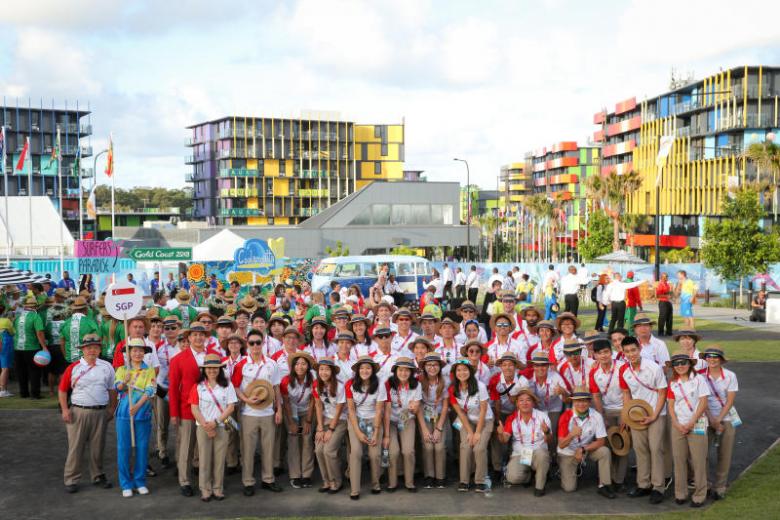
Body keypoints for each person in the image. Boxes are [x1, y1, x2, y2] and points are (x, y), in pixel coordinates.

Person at [59, 334, 117, 493]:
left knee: (98, 447)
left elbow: (112, 389)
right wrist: (65, 409)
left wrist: (112, 408)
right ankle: (71, 478)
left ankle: (97, 475)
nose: (92, 350)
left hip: (100, 412)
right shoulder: (74, 367)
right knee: (75, 447)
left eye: (95, 347)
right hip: (78, 412)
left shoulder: (107, 366)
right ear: (83, 350)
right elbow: (62, 390)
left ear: (100, 349)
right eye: (88, 347)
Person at [232, 328, 284, 496]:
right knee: (247, 449)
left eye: (258, 342)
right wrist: (246, 400)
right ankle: (248, 481)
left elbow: (276, 388)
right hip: (249, 413)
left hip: (268, 412)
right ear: (247, 344)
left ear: (263, 343)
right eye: (252, 343)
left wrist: (279, 410)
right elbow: (235, 387)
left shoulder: (272, 364)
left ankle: (268, 479)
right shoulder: (241, 364)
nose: (255, 346)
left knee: (268, 448)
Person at [619, 336, 668, 504]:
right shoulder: (624, 370)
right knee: (640, 449)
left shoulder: (654, 368)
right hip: (636, 415)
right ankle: (643, 484)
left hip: (656, 413)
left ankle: (658, 487)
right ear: (623, 353)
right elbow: (626, 393)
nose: (631, 354)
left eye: (633, 350)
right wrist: (627, 415)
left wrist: (654, 415)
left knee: (656, 449)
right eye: (627, 351)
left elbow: (662, 392)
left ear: (639, 349)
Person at [168, 321, 210, 497]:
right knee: (186, 447)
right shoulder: (177, 359)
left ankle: (204, 479)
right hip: (187, 410)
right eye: (194, 335)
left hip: (209, 410)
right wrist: (174, 413)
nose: (198, 338)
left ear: (205, 337)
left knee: (205, 447)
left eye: (201, 334)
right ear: (189, 338)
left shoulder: (213, 356)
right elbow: (173, 388)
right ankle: (184, 481)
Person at [189, 353, 237, 501]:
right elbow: (194, 408)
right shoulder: (198, 386)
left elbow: (231, 407)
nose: (212, 370)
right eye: (209, 368)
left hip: (221, 426)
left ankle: (218, 489)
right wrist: (206, 425)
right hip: (203, 427)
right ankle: (205, 489)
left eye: (215, 368)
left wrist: (215, 423)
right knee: (204, 459)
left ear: (220, 369)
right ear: (204, 369)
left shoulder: (227, 385)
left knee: (219, 459)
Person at [666, 350, 710, 507]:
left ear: (690, 364)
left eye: (683, 362)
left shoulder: (699, 379)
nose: (680, 366)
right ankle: (680, 493)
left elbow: (703, 402)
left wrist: (691, 422)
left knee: (698, 461)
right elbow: (671, 406)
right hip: (678, 426)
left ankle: (700, 494)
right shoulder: (673, 383)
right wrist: (677, 423)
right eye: (676, 364)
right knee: (679, 460)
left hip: (696, 424)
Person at [114, 338, 156, 498]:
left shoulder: (149, 370)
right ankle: (126, 483)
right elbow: (118, 388)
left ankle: (140, 481)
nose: (138, 353)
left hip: (142, 413)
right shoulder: (122, 369)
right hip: (124, 414)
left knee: (142, 448)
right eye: (134, 350)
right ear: (129, 353)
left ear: (144, 353)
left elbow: (151, 390)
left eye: (141, 350)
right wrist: (124, 382)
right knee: (123, 449)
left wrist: (137, 406)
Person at [557, 386, 615, 498]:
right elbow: (561, 444)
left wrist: (582, 449)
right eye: (578, 401)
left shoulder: (596, 415)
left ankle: (604, 485)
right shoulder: (566, 416)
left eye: (584, 400)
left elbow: (601, 441)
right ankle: (563, 467)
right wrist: (571, 435)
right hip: (568, 452)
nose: (581, 404)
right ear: (573, 402)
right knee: (569, 488)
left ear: (589, 402)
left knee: (604, 451)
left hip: (585, 449)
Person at [698, 346, 739, 501]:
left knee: (724, 454)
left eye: (715, 356)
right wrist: (712, 419)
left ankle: (720, 487)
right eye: (709, 356)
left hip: (725, 418)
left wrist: (719, 419)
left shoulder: (730, 376)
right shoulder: (699, 375)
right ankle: (706, 484)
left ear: (721, 359)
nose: (712, 359)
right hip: (705, 417)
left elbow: (730, 401)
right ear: (705, 358)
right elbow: (701, 400)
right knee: (702, 454)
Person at [449, 358, 494, 492]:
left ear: (470, 371)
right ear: (455, 373)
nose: (462, 373)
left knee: (479, 448)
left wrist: (477, 433)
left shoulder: (480, 386)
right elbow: (460, 413)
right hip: (466, 420)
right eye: (458, 370)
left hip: (484, 420)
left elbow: (483, 410)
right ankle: (464, 480)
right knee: (465, 446)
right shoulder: (452, 389)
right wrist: (470, 432)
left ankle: (480, 481)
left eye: (465, 369)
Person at [346, 355, 387, 500]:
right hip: (356, 421)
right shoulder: (350, 384)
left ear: (372, 370)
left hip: (373, 421)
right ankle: (354, 489)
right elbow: (351, 410)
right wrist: (357, 432)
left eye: (368, 368)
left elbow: (379, 410)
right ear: (357, 370)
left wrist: (375, 432)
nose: (365, 370)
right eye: (362, 368)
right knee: (356, 453)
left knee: (374, 454)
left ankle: (375, 484)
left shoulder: (380, 385)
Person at [589, 338, 628, 491]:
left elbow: (626, 392)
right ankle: (608, 478)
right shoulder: (594, 372)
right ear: (595, 355)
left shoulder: (622, 367)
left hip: (622, 409)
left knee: (623, 444)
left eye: (606, 352)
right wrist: (601, 417)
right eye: (599, 353)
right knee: (608, 445)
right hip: (605, 411)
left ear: (611, 352)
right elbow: (596, 396)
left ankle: (620, 479)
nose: (603, 356)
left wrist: (625, 414)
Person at [497, 388, 551, 496]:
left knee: (542, 455)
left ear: (533, 403)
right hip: (521, 453)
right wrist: (500, 434)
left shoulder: (542, 416)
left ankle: (540, 486)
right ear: (517, 403)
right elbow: (504, 440)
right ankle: (530, 476)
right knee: (512, 477)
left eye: (528, 400)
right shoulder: (512, 418)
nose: (525, 403)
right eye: (521, 400)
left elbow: (549, 440)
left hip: (538, 452)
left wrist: (547, 432)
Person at [384, 356, 421, 492]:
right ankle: (392, 482)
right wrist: (386, 435)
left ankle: (409, 482)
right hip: (391, 421)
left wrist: (414, 407)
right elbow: (387, 410)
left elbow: (416, 406)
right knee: (393, 451)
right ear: (395, 371)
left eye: (407, 370)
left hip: (407, 419)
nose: (403, 373)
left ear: (411, 372)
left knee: (408, 451)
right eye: (400, 370)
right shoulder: (388, 384)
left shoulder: (416, 384)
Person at [488, 352, 527, 481]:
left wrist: (516, 418)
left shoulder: (522, 380)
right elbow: (496, 402)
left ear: (515, 366)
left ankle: (515, 465)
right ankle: (497, 468)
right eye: (504, 365)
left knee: (517, 437)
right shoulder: (495, 380)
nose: (507, 368)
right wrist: (498, 420)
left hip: (518, 411)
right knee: (497, 437)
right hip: (500, 411)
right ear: (500, 367)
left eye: (510, 365)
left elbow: (525, 402)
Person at [281, 351, 316, 489]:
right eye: (297, 364)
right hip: (292, 413)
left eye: (303, 364)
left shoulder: (313, 380)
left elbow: (313, 400)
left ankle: (306, 474)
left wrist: (308, 421)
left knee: (307, 439)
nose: (300, 367)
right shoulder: (286, 380)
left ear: (308, 366)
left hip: (307, 412)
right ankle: (295, 475)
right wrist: (291, 423)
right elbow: (286, 402)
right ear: (293, 366)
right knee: (294, 439)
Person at [313, 358, 347, 494]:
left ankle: (336, 482)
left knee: (328, 450)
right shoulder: (316, 385)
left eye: (327, 369)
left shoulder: (340, 386)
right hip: (325, 420)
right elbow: (318, 405)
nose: (324, 372)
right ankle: (326, 481)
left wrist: (331, 430)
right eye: (321, 369)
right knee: (318, 450)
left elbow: (339, 409)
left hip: (340, 420)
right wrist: (320, 428)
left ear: (332, 372)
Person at [418, 352, 449, 489]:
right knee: (428, 445)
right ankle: (429, 475)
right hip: (424, 415)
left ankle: (440, 476)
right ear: (424, 367)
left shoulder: (444, 382)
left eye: (435, 365)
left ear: (439, 367)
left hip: (440, 415)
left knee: (439, 446)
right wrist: (424, 429)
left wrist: (439, 428)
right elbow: (419, 405)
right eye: (429, 365)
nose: (432, 368)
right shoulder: (419, 382)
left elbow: (446, 406)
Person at [13, 294, 48, 399]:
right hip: (31, 348)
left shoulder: (18, 317)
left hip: (18, 348)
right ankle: (35, 394)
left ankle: (23, 393)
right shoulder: (36, 316)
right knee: (34, 371)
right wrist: (44, 347)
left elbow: (15, 331)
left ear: (25, 307)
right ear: (35, 307)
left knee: (21, 371)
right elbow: (39, 333)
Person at [60, 296, 100, 364]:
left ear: (74, 309)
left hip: (69, 360)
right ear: (86, 309)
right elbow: (97, 342)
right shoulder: (91, 323)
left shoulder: (65, 323)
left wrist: (66, 356)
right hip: (86, 360)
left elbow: (62, 343)